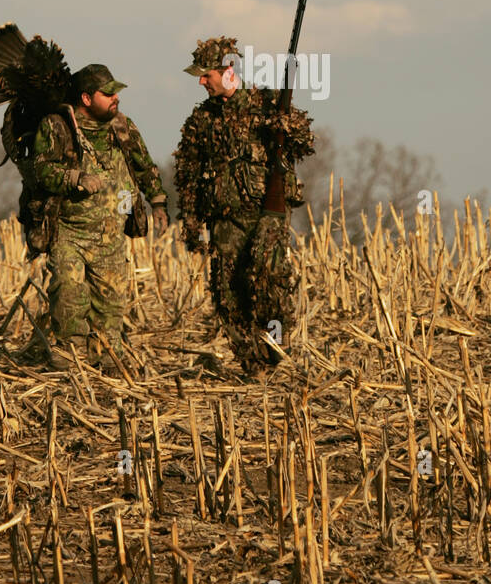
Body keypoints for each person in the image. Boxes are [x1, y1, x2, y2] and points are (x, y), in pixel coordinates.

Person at [174, 36, 314, 375]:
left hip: (266, 214)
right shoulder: (201, 121)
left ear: (228, 72)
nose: (201, 81)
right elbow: (188, 174)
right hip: (224, 220)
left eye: (205, 74)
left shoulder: (266, 105)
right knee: (227, 292)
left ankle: (276, 353)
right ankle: (252, 363)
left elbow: (304, 140)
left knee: (270, 284)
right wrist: (191, 221)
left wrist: (286, 125)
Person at [32, 63, 168, 369]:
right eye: (107, 93)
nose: (115, 97)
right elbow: (39, 169)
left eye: (116, 91)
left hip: (111, 233)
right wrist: (72, 178)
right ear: (86, 98)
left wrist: (158, 202)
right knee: (68, 290)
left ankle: (107, 360)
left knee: (111, 303)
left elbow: (145, 166)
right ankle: (71, 357)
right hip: (70, 230)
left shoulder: (122, 126)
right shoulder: (57, 127)